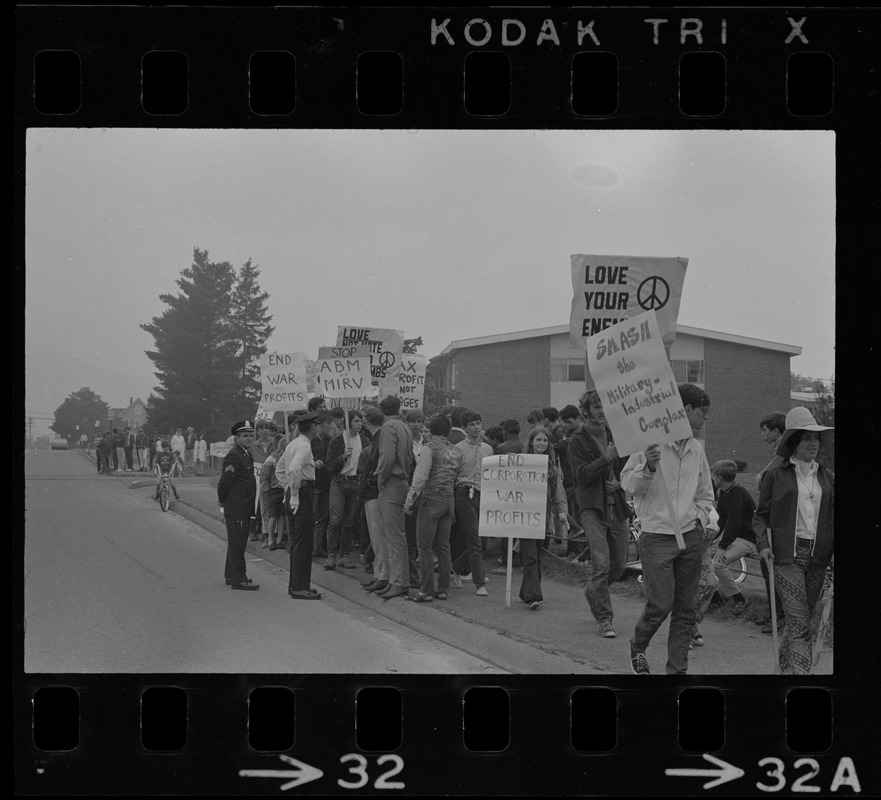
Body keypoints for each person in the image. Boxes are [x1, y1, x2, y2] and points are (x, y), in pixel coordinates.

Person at [622, 383, 715, 675]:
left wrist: (700, 519)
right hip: (657, 538)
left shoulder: (697, 449)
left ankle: (677, 671)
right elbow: (628, 485)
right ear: (686, 410)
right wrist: (647, 468)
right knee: (660, 604)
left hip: (690, 536)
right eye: (704, 412)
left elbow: (705, 494)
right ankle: (638, 646)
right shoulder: (649, 444)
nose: (706, 419)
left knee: (685, 609)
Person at [755, 407, 834, 675]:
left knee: (800, 620)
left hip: (818, 557)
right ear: (793, 443)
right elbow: (760, 517)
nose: (814, 444)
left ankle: (782, 671)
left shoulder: (828, 478)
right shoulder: (775, 476)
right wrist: (763, 547)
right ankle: (802, 678)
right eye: (806, 439)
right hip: (787, 557)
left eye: (816, 438)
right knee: (800, 621)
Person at [568, 390, 632, 637]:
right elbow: (581, 476)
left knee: (619, 565)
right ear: (585, 411)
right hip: (593, 508)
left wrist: (621, 484)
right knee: (601, 565)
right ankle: (605, 619)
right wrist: (605, 458)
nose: (601, 411)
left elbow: (629, 466)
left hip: (617, 507)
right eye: (596, 407)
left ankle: (593, 591)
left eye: (604, 406)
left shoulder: (616, 434)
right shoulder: (577, 441)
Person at [404, 413, 462, 602]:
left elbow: (421, 477)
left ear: (432, 430)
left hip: (431, 498)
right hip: (449, 499)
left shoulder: (429, 449)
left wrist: (410, 500)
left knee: (425, 547)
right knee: (444, 546)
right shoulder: (455, 450)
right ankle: (443, 588)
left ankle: (426, 590)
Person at [520, 426, 569, 610]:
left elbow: (557, 492)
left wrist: (562, 512)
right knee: (531, 557)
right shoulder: (520, 463)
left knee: (537, 558)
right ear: (531, 442)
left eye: (545, 440)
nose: (542, 443)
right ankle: (534, 596)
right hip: (523, 519)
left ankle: (525, 591)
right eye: (538, 440)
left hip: (542, 519)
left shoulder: (551, 467)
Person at [277, 410, 323, 600]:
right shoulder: (304, 447)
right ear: (313, 427)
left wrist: (287, 488)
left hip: (296, 491)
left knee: (298, 541)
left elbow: (280, 469)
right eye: (318, 425)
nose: (319, 429)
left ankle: (297, 584)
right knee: (303, 541)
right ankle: (299, 587)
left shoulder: (293, 444)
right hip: (302, 493)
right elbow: (293, 468)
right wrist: (294, 493)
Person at [374, 395, 414, 600]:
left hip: (392, 482)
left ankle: (398, 582)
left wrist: (381, 476)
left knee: (394, 536)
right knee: (399, 535)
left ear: (382, 411)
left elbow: (387, 457)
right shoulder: (404, 427)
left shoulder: (388, 428)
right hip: (403, 480)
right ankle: (398, 580)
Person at [451, 410, 492, 596]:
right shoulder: (458, 448)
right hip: (463, 492)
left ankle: (457, 568)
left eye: (478, 423)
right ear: (465, 428)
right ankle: (479, 583)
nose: (476, 427)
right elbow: (452, 476)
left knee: (483, 542)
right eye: (472, 424)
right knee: (474, 539)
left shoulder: (488, 449)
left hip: (483, 493)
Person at [755, 410, 788, 634]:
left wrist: (761, 477)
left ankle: (779, 618)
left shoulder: (783, 452)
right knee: (769, 570)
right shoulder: (778, 451)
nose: (762, 436)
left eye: (765, 431)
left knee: (773, 571)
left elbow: (765, 478)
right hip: (772, 518)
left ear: (776, 431)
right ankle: (773, 615)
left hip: (778, 520)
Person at [324, 410, 369, 570]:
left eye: (361, 421)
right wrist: (342, 457)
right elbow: (328, 466)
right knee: (335, 520)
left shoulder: (364, 440)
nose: (360, 424)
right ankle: (332, 555)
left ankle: (344, 555)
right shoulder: (336, 441)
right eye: (356, 421)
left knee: (349, 522)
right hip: (339, 483)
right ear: (348, 423)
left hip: (355, 483)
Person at [216, 420, 259, 590]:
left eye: (251, 435)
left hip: (243, 506)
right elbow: (224, 482)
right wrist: (224, 501)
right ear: (236, 438)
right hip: (237, 506)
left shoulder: (246, 454)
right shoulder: (235, 456)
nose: (249, 439)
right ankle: (239, 578)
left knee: (236, 542)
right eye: (245, 436)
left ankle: (230, 574)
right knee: (238, 543)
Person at [710, 460, 754, 614]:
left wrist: (722, 547)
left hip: (747, 539)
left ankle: (739, 599)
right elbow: (722, 520)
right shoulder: (724, 493)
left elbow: (733, 522)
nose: (712, 479)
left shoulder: (738, 493)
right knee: (699, 555)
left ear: (720, 478)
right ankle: (713, 598)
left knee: (718, 564)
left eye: (713, 476)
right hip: (734, 538)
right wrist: (710, 539)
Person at [359, 406, 388, 593]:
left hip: (374, 493)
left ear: (367, 421)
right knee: (376, 536)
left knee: (378, 537)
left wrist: (370, 480)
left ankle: (383, 575)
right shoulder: (377, 438)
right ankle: (379, 574)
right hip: (372, 492)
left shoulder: (379, 439)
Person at [310, 410, 335, 559]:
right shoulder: (309, 440)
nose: (330, 426)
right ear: (319, 425)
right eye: (328, 424)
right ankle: (312, 545)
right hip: (312, 483)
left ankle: (318, 546)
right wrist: (313, 462)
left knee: (323, 516)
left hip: (326, 482)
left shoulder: (330, 440)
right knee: (312, 515)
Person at [249, 420, 276, 543]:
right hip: (257, 477)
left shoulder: (274, 444)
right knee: (256, 503)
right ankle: (252, 529)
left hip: (271, 477)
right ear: (257, 431)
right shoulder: (253, 446)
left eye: (266, 428)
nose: (264, 431)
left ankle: (268, 531)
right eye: (261, 428)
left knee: (268, 504)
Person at [259, 434, 287, 550]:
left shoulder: (287, 458)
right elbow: (264, 476)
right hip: (274, 490)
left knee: (282, 516)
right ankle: (270, 539)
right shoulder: (271, 459)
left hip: (284, 490)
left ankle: (279, 540)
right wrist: (266, 490)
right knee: (273, 516)